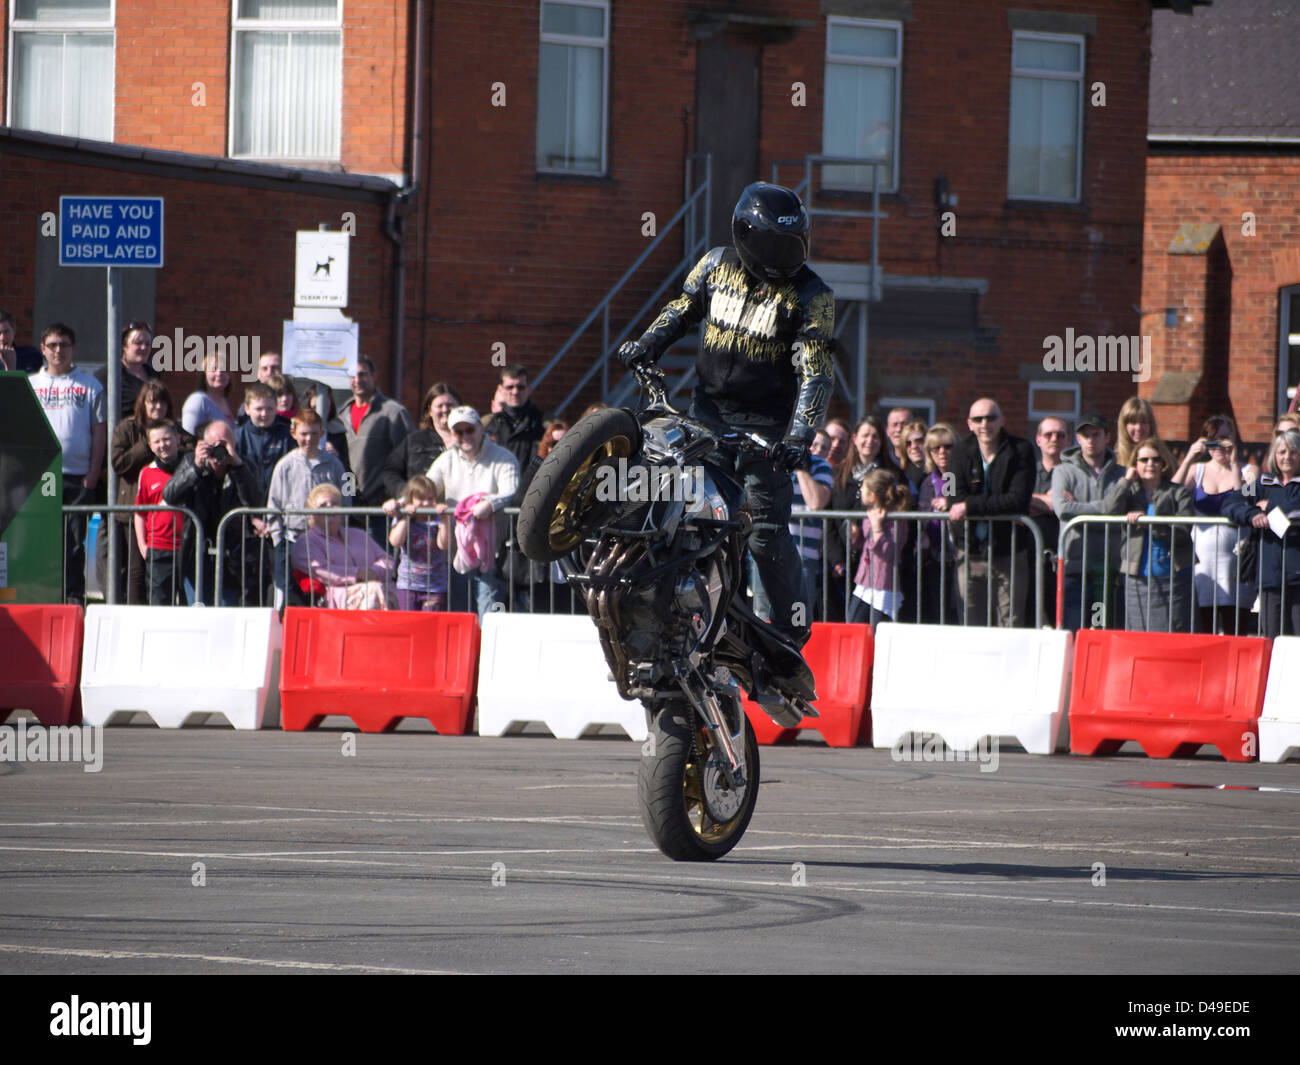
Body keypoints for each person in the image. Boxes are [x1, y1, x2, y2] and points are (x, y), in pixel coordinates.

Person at [617, 181, 834, 660]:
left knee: (765, 532)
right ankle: (669, 612)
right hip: (707, 421)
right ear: (748, 237)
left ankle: (789, 635)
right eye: (779, 244)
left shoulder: (813, 295)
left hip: (768, 434)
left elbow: (815, 370)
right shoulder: (716, 264)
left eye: (797, 241)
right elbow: (682, 309)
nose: (791, 253)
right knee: (685, 518)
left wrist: (800, 435)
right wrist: (647, 345)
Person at [30, 323, 106, 604]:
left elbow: (100, 433)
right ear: (43, 349)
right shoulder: (31, 384)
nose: (58, 350)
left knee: (74, 545)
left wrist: (93, 474)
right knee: (42, 540)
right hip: (40, 477)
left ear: (73, 349)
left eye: (64, 344)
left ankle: (73, 600)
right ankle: (40, 598)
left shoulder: (91, 386)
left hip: (78, 477)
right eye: (52, 345)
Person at [105, 380, 194, 604]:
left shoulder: (173, 428)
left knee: (175, 576)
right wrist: (148, 444)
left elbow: (190, 447)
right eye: (152, 403)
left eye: (162, 403)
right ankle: (137, 612)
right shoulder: (128, 427)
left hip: (170, 515)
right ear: (142, 404)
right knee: (137, 569)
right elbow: (118, 463)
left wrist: (169, 442)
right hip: (137, 508)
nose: (157, 408)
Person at [950, 397, 1035, 627]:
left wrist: (970, 506)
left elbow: (1017, 500)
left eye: (991, 418)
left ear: (1002, 420)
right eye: (978, 419)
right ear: (969, 423)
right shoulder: (957, 452)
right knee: (969, 621)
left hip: (1008, 551)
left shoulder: (1022, 450)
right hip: (968, 550)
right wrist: (973, 504)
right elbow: (952, 495)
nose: (984, 424)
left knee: (1010, 622)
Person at [427, 405, 519, 616]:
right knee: (461, 617)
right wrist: (405, 500)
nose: (465, 436)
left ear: (480, 428)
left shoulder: (503, 457)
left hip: (492, 556)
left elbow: (511, 491)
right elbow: (426, 486)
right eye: (459, 432)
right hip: (456, 555)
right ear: (452, 435)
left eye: (470, 429)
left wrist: (490, 504)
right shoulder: (446, 459)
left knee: (488, 618)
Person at [161, 418, 261, 605]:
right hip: (197, 552)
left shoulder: (243, 465)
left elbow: (255, 502)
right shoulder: (191, 461)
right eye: (214, 444)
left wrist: (237, 465)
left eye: (224, 444)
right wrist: (196, 468)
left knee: (227, 611)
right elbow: (170, 495)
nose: (219, 449)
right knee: (200, 610)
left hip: (233, 556)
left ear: (234, 444)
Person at [1102, 436, 1195, 632]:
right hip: (1137, 579)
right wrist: (1126, 480)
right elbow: (1108, 510)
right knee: (1138, 634)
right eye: (1144, 460)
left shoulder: (1178, 492)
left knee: (1174, 635)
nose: (1150, 464)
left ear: (1163, 463)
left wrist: (1148, 522)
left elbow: (1183, 529)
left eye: (1155, 459)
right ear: (1135, 464)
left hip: (1174, 579)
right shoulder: (1130, 492)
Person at [1172, 414, 1251, 635]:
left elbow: (1245, 500)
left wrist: (1235, 463)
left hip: (1235, 562)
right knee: (1204, 626)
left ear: (1234, 437)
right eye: (1212, 440)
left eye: (1224, 438)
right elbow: (1168, 495)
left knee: (1235, 627)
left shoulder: (1248, 471)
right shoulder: (1197, 470)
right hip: (1202, 562)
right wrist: (1188, 458)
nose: (1219, 446)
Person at [266, 408, 352, 608]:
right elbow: (274, 504)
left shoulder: (335, 464)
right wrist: (279, 538)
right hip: (291, 538)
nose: (309, 439)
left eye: (314, 433)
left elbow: (348, 496)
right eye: (304, 433)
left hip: (325, 541)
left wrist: (340, 530)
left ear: (322, 433)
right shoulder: (284, 465)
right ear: (294, 433)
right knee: (287, 591)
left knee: (324, 591)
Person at [1222, 428, 1300, 638]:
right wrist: (1252, 513)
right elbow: (1232, 502)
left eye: (1293, 452)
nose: (1287, 457)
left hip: (1297, 577)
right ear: (1274, 455)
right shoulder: (1262, 485)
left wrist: (1271, 508)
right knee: (1271, 638)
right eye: (1282, 452)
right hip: (1270, 576)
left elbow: (1294, 511)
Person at [1052, 412, 1125, 630]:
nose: (1091, 440)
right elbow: (1063, 510)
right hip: (1074, 565)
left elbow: (1121, 510)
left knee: (1103, 630)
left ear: (1107, 437)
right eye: (1085, 435)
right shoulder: (1063, 471)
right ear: (1078, 438)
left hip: (1109, 566)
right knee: (1073, 630)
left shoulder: (1121, 474)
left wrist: (1081, 511)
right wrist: (1105, 508)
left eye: (1096, 434)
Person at [825, 415, 898, 624]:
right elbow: (828, 518)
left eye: (875, 437)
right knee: (838, 619)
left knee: (868, 624)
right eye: (865, 435)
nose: (870, 441)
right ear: (855, 439)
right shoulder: (837, 473)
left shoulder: (889, 475)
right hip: (840, 561)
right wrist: (836, 558)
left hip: (874, 561)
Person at [234, 382, 295, 604]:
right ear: (247, 408)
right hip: (246, 523)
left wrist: (273, 518)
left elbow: (291, 480)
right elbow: (234, 482)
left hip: (278, 522)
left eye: (270, 409)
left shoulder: (287, 436)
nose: (264, 414)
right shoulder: (238, 436)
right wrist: (252, 517)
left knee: (277, 582)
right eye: (259, 409)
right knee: (248, 583)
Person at [293, 483, 395, 610]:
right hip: (335, 596)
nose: (330, 508)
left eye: (335, 504)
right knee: (374, 590)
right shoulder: (306, 542)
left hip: (376, 587)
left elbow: (387, 559)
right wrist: (358, 574)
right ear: (311, 513)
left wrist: (375, 571)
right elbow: (322, 571)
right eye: (323, 505)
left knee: (391, 590)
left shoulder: (359, 534)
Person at [338, 354, 415, 509]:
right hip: (349, 503)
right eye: (353, 376)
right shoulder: (340, 416)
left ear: (374, 376)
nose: (357, 380)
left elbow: (409, 457)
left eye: (363, 374)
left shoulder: (393, 413)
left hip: (383, 506)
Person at [848, 469, 911, 625]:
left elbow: (889, 551)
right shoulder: (870, 512)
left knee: (877, 634)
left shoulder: (894, 517)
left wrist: (877, 528)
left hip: (882, 585)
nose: (861, 489)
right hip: (864, 581)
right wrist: (856, 539)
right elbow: (868, 546)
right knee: (853, 624)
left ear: (873, 495)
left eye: (864, 487)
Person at [133, 420, 187, 605]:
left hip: (187, 548)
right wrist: (142, 545)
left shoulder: (189, 467)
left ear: (177, 439)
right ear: (150, 445)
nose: (162, 445)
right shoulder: (147, 473)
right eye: (156, 441)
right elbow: (139, 513)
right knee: (159, 603)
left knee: (192, 604)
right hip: (159, 549)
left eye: (167, 439)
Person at [381, 382, 461, 501]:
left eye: (450, 405)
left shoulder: (469, 440)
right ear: (429, 411)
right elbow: (390, 472)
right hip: (422, 513)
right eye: (439, 406)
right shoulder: (414, 441)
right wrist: (408, 493)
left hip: (459, 511)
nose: (445, 410)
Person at [916, 422, 960, 623]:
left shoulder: (952, 476)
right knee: (936, 609)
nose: (942, 452)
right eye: (936, 448)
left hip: (956, 553)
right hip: (932, 554)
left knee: (954, 609)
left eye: (948, 447)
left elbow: (949, 500)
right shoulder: (928, 480)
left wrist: (947, 502)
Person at [388, 475, 451, 612]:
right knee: (409, 627)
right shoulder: (403, 517)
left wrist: (445, 520)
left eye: (430, 499)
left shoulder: (437, 519)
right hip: (408, 586)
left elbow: (444, 545)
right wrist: (405, 518)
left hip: (435, 587)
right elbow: (395, 541)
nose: (426, 503)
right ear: (411, 499)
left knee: (431, 627)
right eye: (421, 499)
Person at [1030, 416, 1069, 627]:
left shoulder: (1073, 473)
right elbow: (1019, 503)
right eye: (1048, 434)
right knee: (1031, 622)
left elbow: (1065, 506)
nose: (1054, 439)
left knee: (1061, 623)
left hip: (1064, 562)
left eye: (1060, 435)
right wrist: (1050, 500)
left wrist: (1035, 502)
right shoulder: (1027, 471)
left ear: (1068, 440)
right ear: (1038, 439)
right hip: (1030, 560)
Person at [95, 320, 160, 421]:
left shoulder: (153, 375)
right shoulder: (107, 376)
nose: (144, 348)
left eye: (147, 344)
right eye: (138, 343)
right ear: (124, 346)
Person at [485, 364, 545, 472]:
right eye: (510, 387)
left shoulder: (544, 424)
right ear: (500, 389)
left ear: (529, 389)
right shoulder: (487, 425)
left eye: (520, 387)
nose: (515, 392)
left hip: (532, 487)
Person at [181, 347, 238, 437]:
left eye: (224, 369)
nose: (219, 373)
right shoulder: (198, 400)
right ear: (204, 374)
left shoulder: (225, 401)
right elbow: (188, 435)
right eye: (213, 369)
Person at [1114, 396, 1158, 470]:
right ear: (1124, 425)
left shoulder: (1163, 457)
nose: (1138, 428)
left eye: (1143, 422)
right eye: (1133, 422)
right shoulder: (1114, 460)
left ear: (1151, 424)